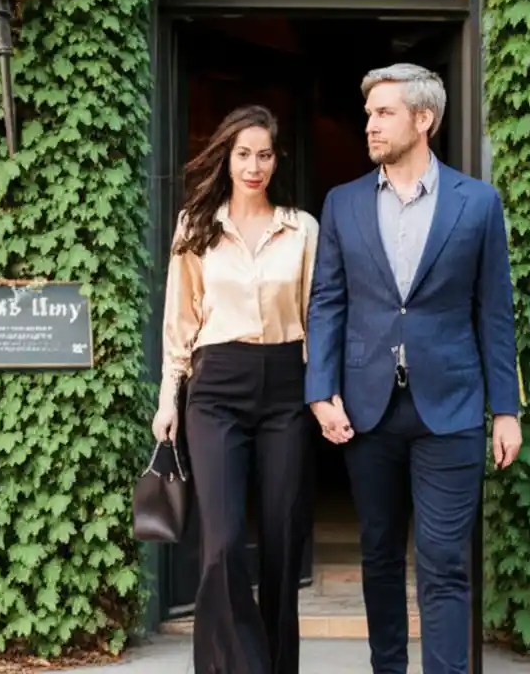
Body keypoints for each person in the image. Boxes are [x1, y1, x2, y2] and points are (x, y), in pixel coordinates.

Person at [304, 63, 523, 674]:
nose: (369, 124)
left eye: (384, 113)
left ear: (423, 119)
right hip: (367, 408)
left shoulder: (477, 203)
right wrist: (321, 391)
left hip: (451, 407)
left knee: (444, 559)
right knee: (377, 554)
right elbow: (327, 301)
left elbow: (495, 312)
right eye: (369, 112)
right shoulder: (342, 202)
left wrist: (505, 411)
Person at [152, 104, 319, 674]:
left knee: (281, 545)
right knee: (222, 544)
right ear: (226, 156)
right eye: (244, 154)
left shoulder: (301, 228)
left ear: (277, 160)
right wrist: (167, 399)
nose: (254, 166)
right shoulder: (195, 226)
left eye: (264, 155)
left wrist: (322, 394)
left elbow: (315, 319)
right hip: (217, 384)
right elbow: (180, 320)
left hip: (285, 388)